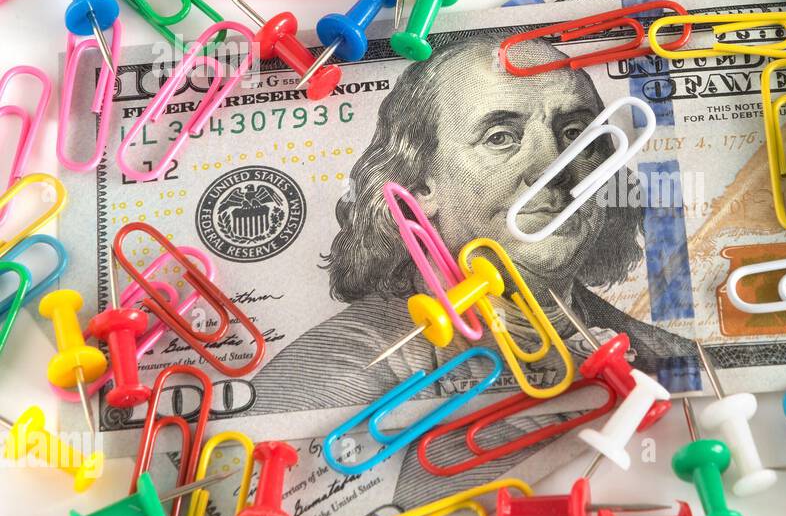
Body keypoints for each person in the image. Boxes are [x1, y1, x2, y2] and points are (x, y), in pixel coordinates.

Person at [252, 35, 695, 434]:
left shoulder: (670, 354)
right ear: (420, 185)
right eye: (501, 136)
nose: (551, 169)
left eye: (575, 133)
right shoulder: (335, 371)